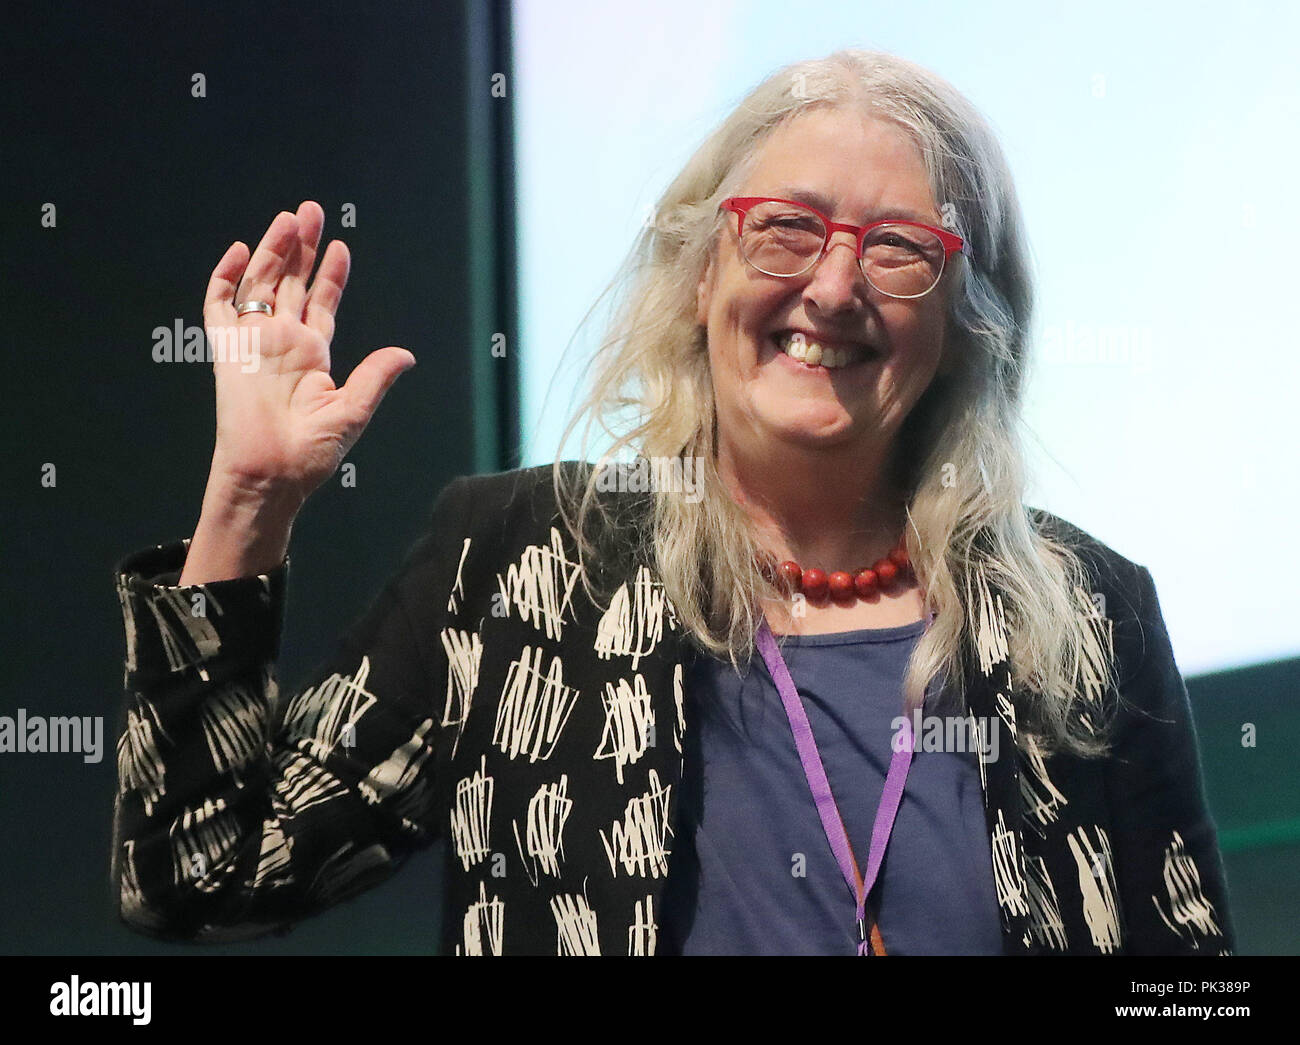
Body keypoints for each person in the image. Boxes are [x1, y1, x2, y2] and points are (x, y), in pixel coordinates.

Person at [111, 48, 1234, 955]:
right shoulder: (517, 568)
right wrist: (247, 501)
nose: (833, 286)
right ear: (702, 273)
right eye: (787, 227)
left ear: (962, 324)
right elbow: (197, 874)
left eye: (898, 249)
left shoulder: (1085, 617)